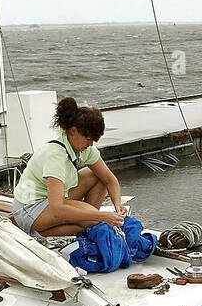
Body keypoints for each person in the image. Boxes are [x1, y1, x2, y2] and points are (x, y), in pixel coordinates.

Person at [10, 97, 126, 239]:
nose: (90, 144)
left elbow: (109, 179)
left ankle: (83, 221)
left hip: (51, 200)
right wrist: (101, 216)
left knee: (97, 175)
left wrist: (117, 204)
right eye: (88, 139)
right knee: (92, 220)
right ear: (73, 131)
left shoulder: (84, 148)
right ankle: (42, 232)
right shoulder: (56, 156)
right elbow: (57, 208)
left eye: (93, 141)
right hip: (30, 209)